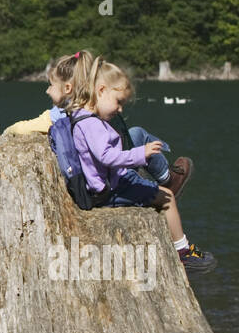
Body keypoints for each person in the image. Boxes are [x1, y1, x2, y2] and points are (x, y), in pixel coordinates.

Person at [67, 56, 215, 274]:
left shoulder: (82, 115)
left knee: (150, 180)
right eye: (118, 102)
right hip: (108, 191)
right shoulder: (92, 124)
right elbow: (108, 157)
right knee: (167, 198)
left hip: (106, 183)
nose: (119, 110)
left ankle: (159, 185)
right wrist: (140, 154)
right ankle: (183, 253)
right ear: (100, 90)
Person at [4, 50, 194, 197]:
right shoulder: (92, 105)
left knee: (138, 135)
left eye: (51, 85)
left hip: (103, 170)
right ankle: (166, 178)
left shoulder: (58, 114)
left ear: (67, 88)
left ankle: (164, 179)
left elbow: (23, 127)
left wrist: (6, 132)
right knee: (138, 134)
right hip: (108, 168)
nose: (47, 90)